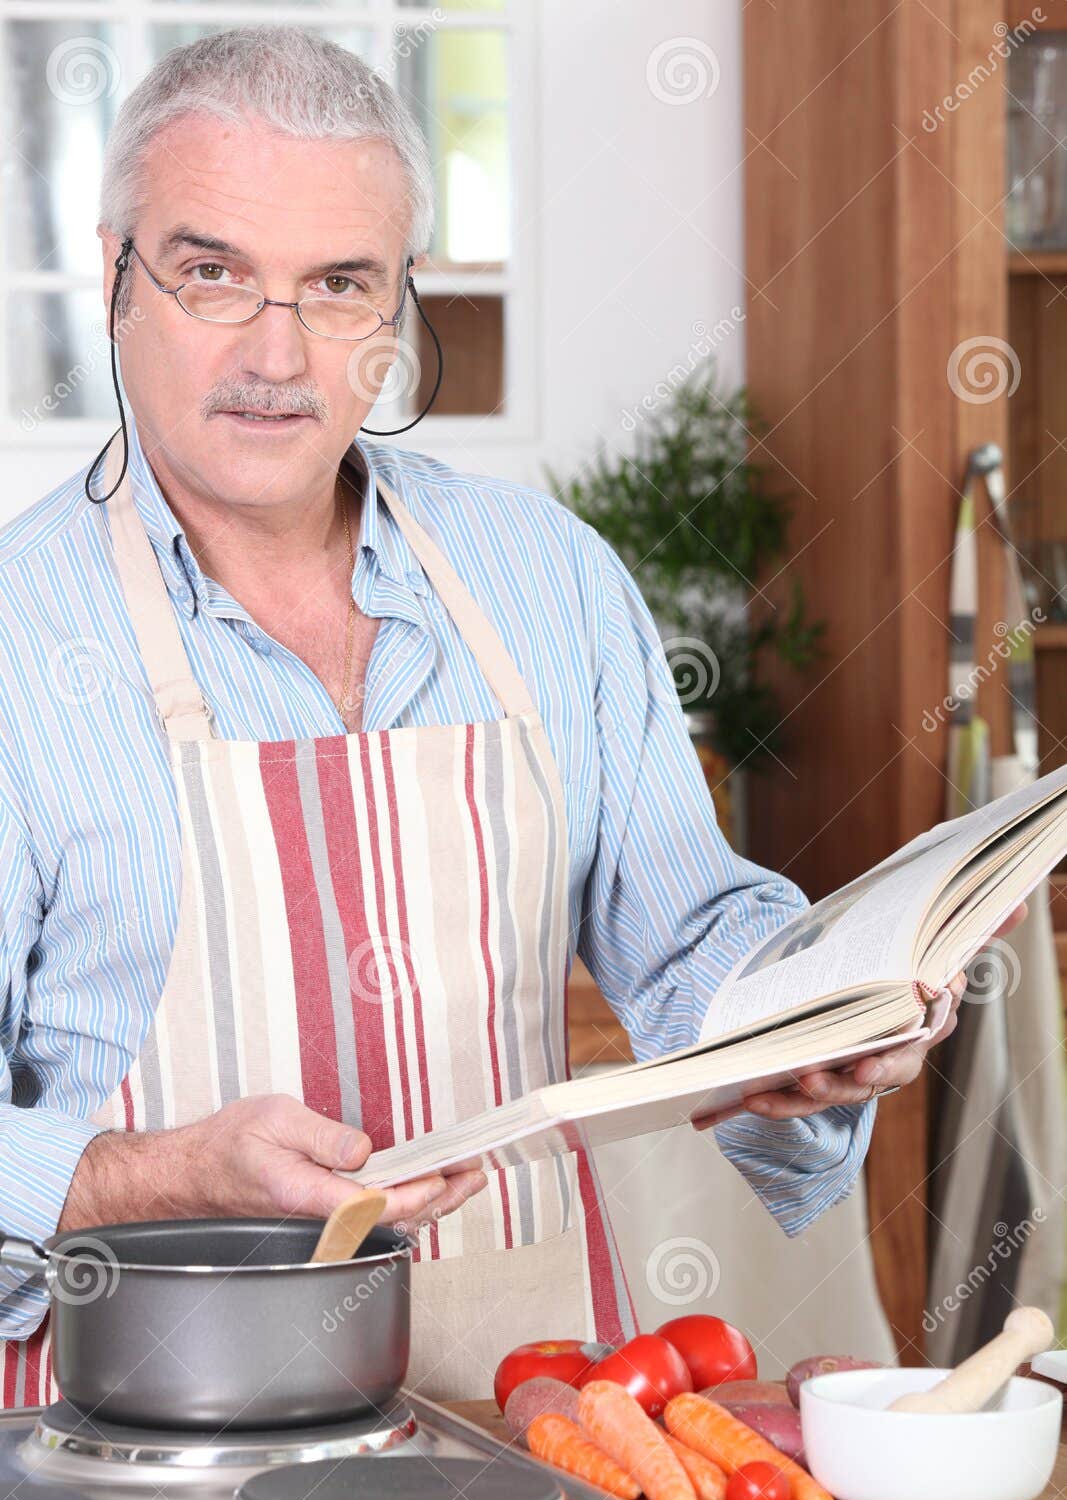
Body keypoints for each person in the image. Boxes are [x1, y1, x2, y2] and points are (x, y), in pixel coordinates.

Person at [0, 27, 999, 1408]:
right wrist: (154, 1175)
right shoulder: (18, 636)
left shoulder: (548, 579)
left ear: (398, 306)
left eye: (338, 284)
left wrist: (814, 1032)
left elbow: (691, 954)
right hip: (128, 1459)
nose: (276, 351)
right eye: (212, 271)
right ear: (117, 272)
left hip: (530, 1438)